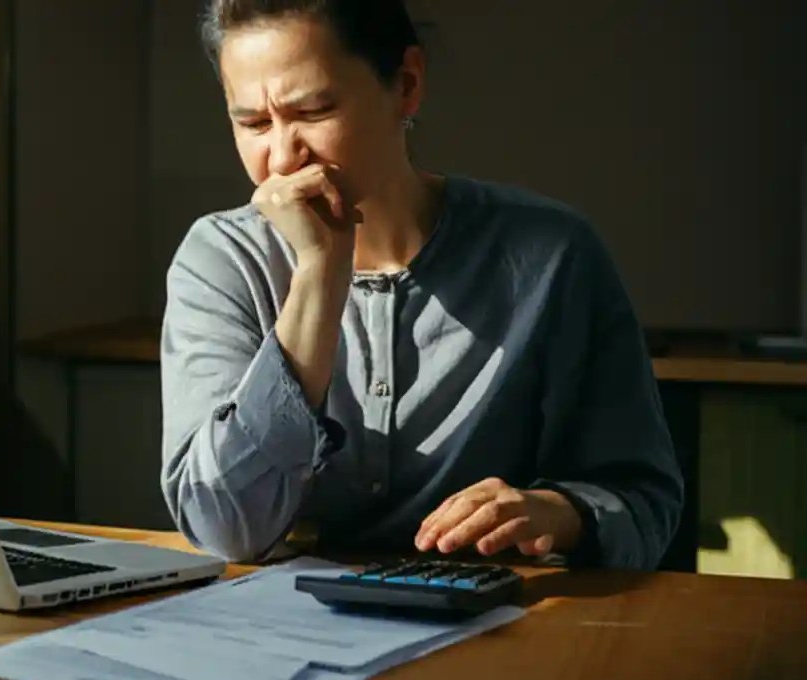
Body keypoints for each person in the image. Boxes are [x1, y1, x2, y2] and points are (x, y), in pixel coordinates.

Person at [159, 0, 683, 570]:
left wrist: (562, 514)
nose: (283, 156)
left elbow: (646, 504)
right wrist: (318, 276)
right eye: (253, 123)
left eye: (314, 111)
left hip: (499, 631)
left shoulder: (553, 256)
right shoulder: (220, 259)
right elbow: (224, 527)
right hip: (275, 632)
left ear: (406, 86)